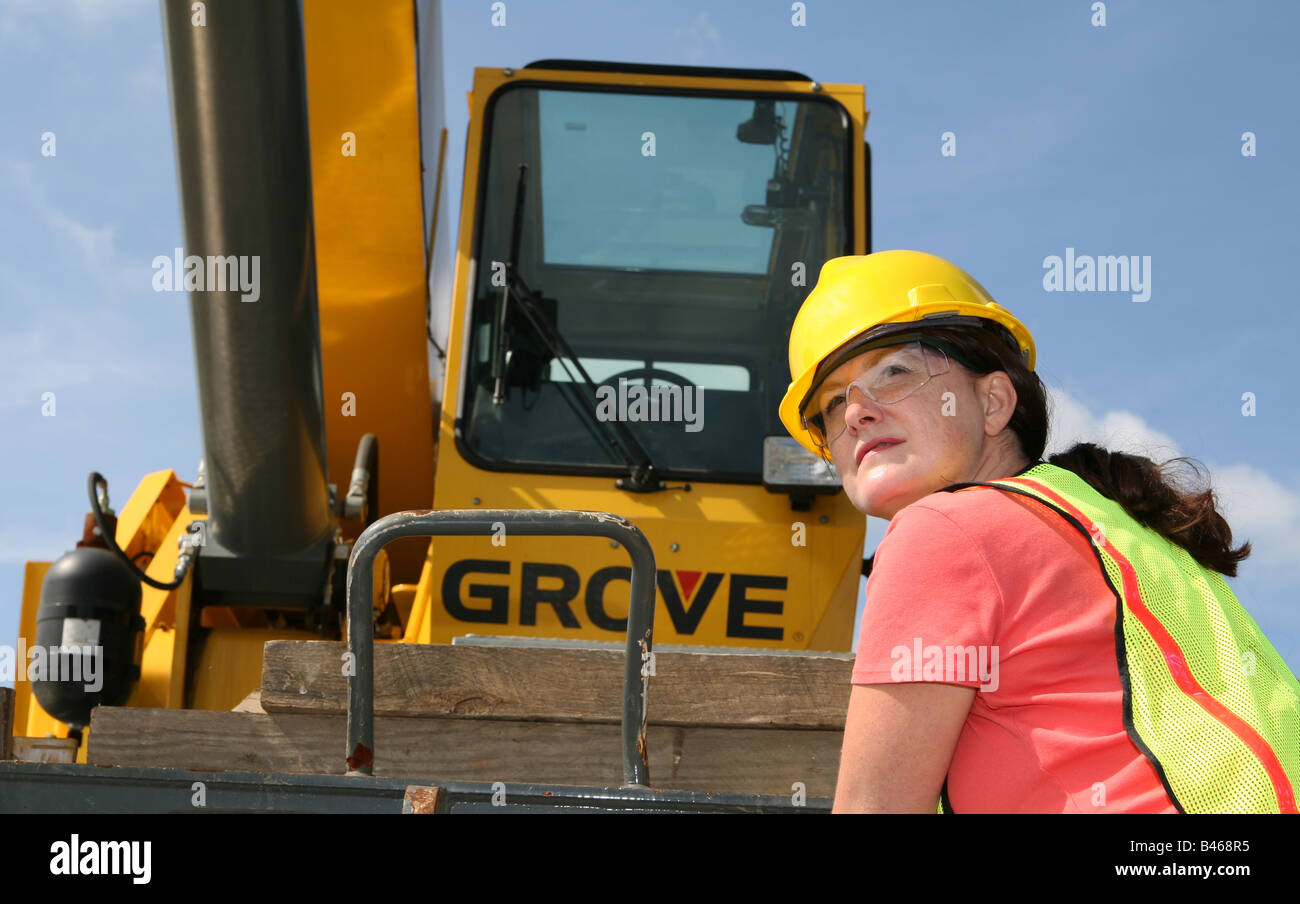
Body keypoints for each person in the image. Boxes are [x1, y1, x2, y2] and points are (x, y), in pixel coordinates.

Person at [778, 250, 1300, 813]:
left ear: (994, 401)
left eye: (894, 372)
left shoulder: (943, 529)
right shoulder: (1100, 520)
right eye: (833, 403)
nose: (856, 413)